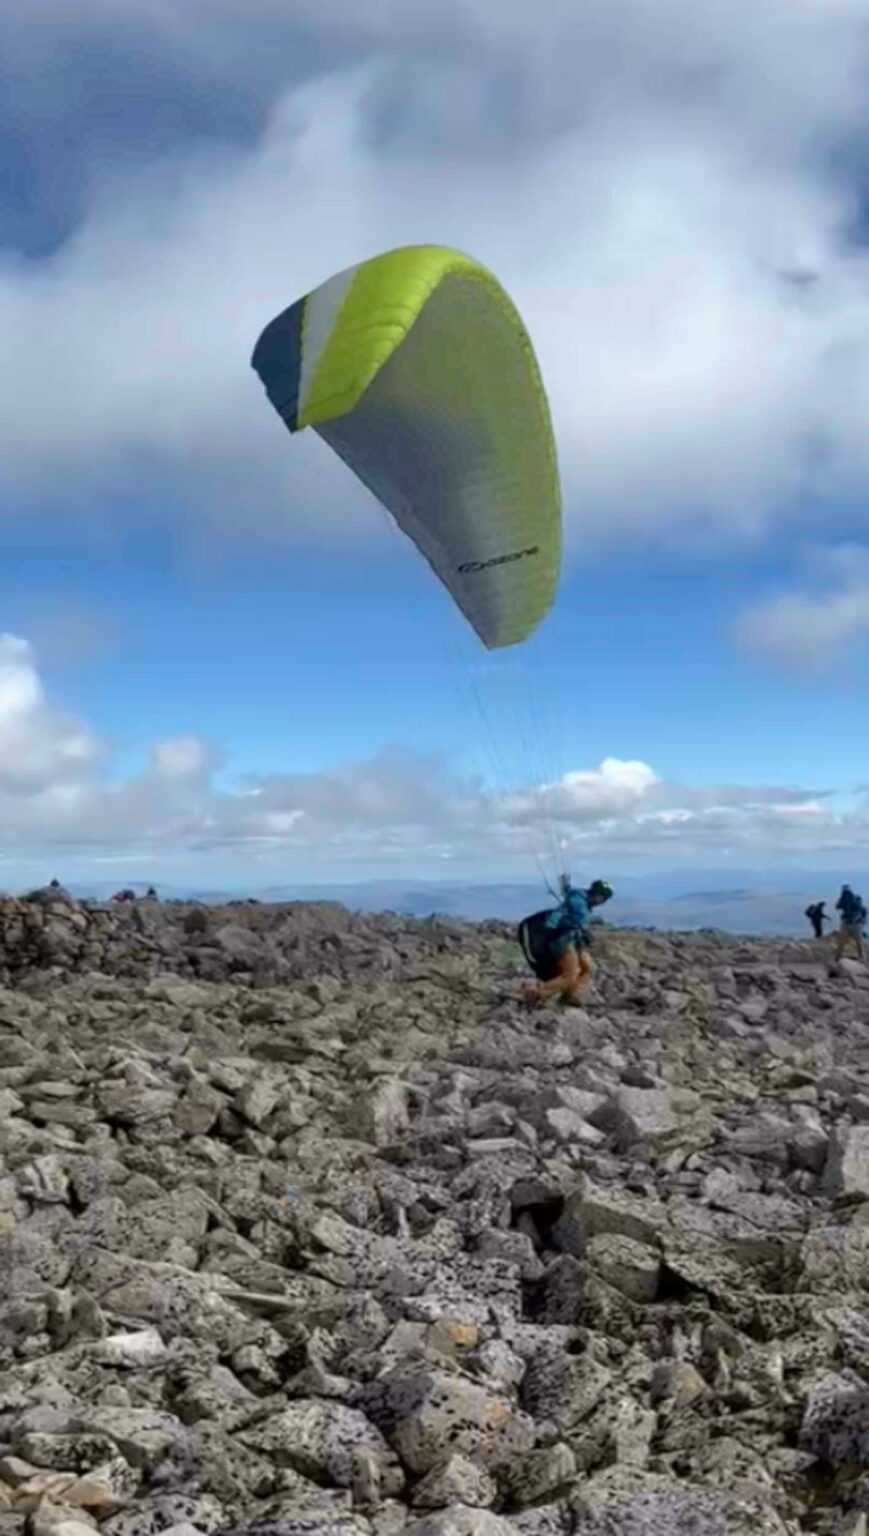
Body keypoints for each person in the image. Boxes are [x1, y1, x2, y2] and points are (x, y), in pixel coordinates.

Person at [519, 876, 613, 1005]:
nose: (602, 901)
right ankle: (535, 993)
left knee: (588, 967)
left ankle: (570, 996)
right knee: (570, 974)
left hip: (573, 937)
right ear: (595, 894)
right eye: (602, 897)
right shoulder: (579, 902)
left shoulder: (580, 898)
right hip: (562, 938)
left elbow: (572, 900)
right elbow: (577, 914)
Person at [835, 885, 867, 961]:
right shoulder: (843, 900)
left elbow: (859, 908)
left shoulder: (855, 900)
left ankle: (861, 956)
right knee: (843, 941)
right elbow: (838, 906)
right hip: (848, 923)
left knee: (858, 941)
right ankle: (838, 956)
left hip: (854, 923)